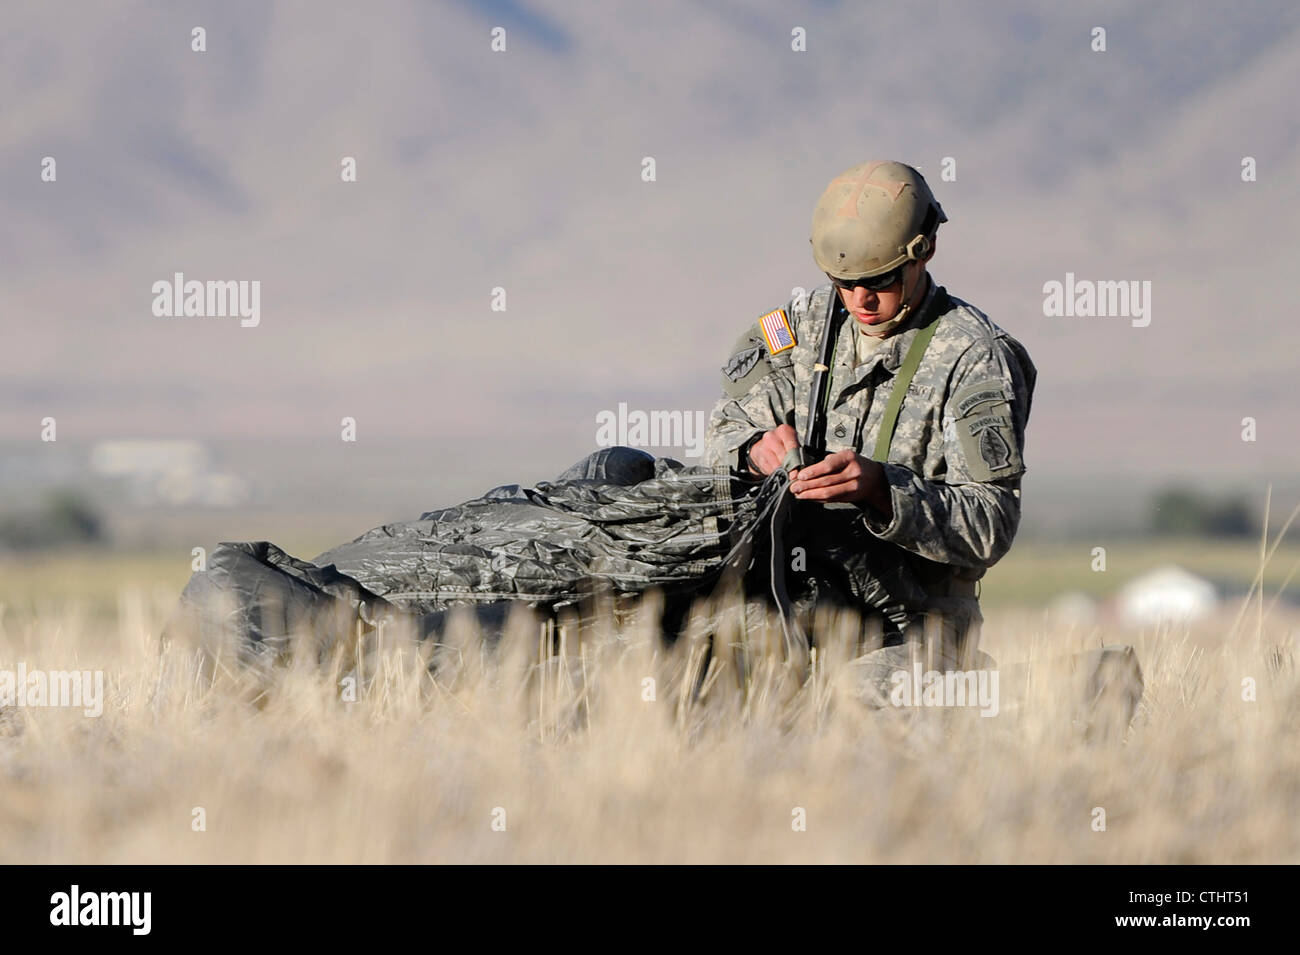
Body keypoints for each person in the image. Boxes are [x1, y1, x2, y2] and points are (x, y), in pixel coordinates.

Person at [703, 159, 1037, 673]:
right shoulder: (798, 327)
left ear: (922, 253)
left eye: (879, 279)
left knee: (856, 708)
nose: (860, 299)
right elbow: (722, 433)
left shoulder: (975, 356)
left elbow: (990, 524)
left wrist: (883, 491)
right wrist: (750, 452)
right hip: (783, 603)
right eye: (843, 281)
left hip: (914, 629)